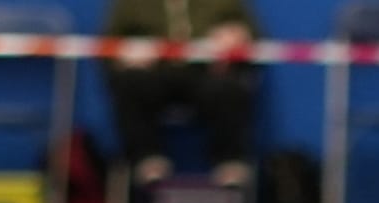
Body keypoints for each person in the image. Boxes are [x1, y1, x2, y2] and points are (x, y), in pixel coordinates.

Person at [102, 0, 261, 192]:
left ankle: (230, 160)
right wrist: (126, 53)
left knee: (228, 87)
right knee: (131, 82)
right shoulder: (130, 5)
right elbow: (107, 45)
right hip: (153, 72)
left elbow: (255, 38)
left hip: (206, 72)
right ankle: (145, 158)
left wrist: (238, 36)